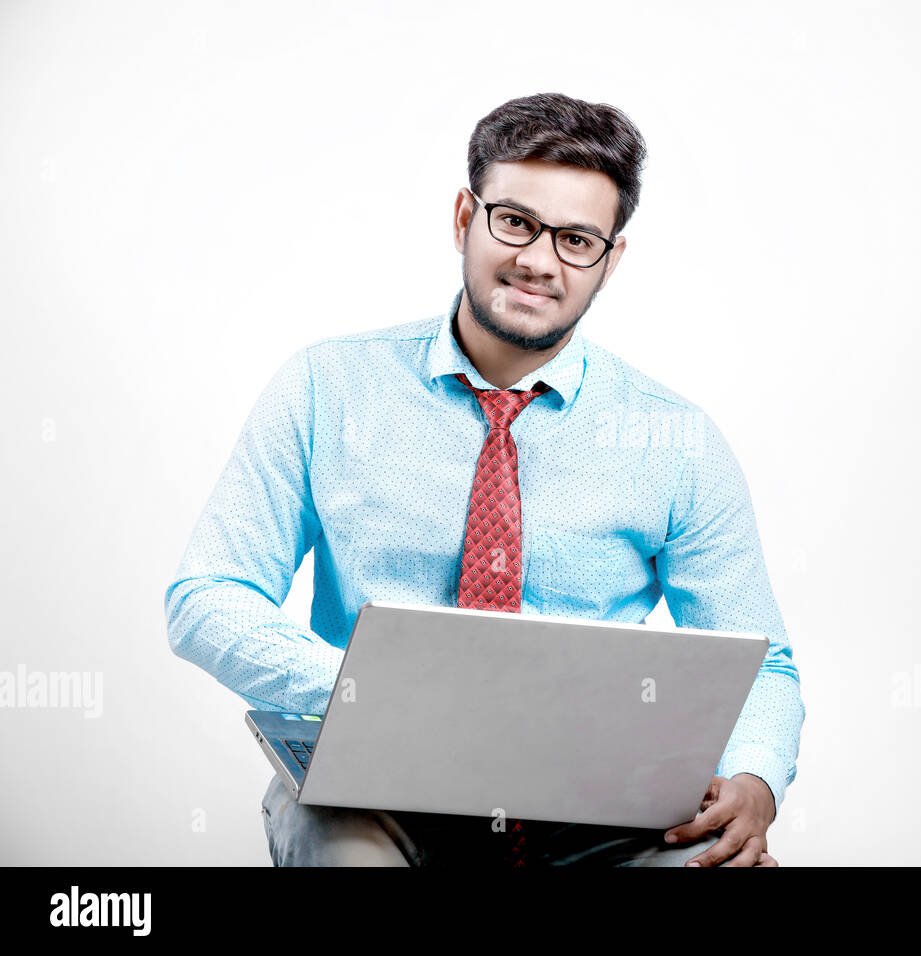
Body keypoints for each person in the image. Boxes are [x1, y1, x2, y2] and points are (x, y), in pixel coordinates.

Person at [165, 92, 804, 867]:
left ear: (612, 260)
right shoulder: (325, 386)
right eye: (515, 223)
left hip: (598, 802)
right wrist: (379, 690)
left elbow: (762, 661)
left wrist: (756, 780)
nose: (538, 261)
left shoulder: (675, 439)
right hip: (369, 785)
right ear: (465, 216)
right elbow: (207, 597)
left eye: (576, 239)